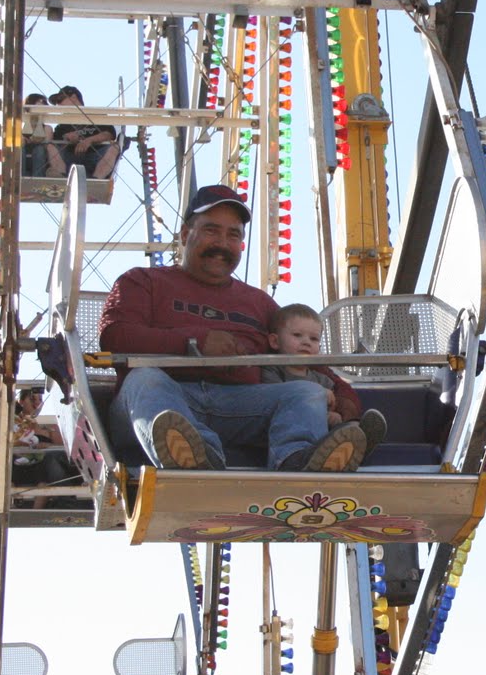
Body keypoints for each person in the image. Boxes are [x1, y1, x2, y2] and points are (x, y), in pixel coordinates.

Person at [100, 185, 367, 472]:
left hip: (239, 405)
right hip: (163, 399)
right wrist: (195, 342)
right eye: (212, 231)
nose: (223, 244)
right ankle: (196, 458)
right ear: (186, 235)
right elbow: (115, 336)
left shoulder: (259, 303)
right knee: (144, 379)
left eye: (233, 235)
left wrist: (344, 403)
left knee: (305, 391)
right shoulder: (142, 281)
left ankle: (298, 462)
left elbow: (303, 360)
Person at [263, 303, 387, 453]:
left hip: (322, 431)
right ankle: (353, 445)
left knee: (342, 426)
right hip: (289, 428)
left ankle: (358, 437)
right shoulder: (271, 372)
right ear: (275, 341)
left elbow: (332, 407)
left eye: (314, 339)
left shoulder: (323, 380)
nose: (306, 342)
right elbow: (272, 401)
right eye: (297, 335)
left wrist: (334, 416)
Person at [45, 85, 119, 179]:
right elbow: (56, 145)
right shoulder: (61, 126)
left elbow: (109, 134)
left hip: (94, 157)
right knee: (50, 146)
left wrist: (89, 140)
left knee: (115, 147)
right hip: (69, 159)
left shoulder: (96, 115)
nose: (58, 105)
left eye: (60, 100)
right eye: (56, 103)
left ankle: (96, 179)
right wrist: (67, 140)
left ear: (73, 97)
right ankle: (60, 175)